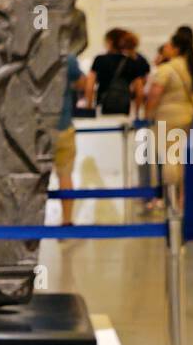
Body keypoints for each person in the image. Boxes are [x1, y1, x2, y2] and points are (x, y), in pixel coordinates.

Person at [144, 26, 193, 200]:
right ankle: (183, 197)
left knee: (170, 157)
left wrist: (148, 114)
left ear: (176, 48)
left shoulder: (167, 69)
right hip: (189, 115)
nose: (166, 48)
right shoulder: (191, 66)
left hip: (168, 118)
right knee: (183, 159)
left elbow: (155, 94)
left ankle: (170, 196)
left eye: (169, 46)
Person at [54, 49, 88, 226]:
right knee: (65, 175)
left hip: (35, 129)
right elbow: (82, 83)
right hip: (63, 124)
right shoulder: (68, 58)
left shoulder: (29, 54)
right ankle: (67, 219)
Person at [86, 27, 148, 115]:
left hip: (103, 105)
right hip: (124, 107)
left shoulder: (100, 59)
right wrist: (137, 113)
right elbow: (139, 91)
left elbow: (90, 86)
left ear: (110, 42)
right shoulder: (131, 62)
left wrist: (88, 106)